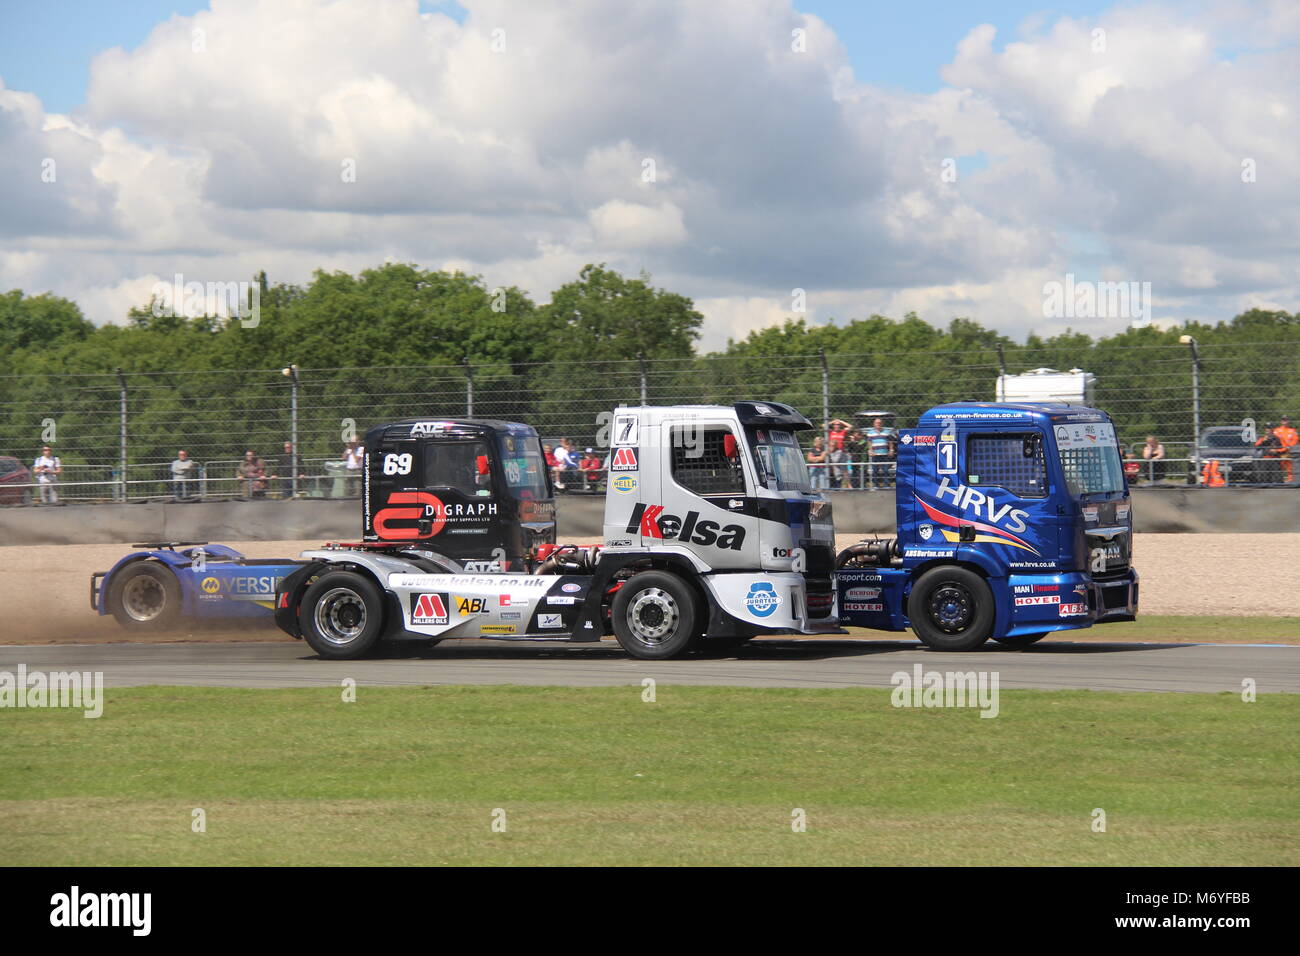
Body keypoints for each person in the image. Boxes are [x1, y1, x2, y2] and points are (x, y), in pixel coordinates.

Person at [863, 417, 896, 489]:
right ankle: (875, 485)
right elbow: (869, 442)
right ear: (874, 424)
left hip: (884, 453)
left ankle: (886, 485)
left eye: (880, 423)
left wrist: (891, 450)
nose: (878, 424)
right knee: (875, 470)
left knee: (886, 470)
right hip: (875, 454)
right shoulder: (870, 433)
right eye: (877, 423)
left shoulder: (887, 432)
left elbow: (890, 442)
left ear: (882, 424)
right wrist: (870, 450)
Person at [1273, 416, 1298, 482]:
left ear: (1288, 421)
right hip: (1279, 451)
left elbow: (1295, 440)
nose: (1285, 421)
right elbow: (1276, 439)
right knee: (1279, 466)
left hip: (1289, 451)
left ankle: (1290, 479)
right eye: (1283, 420)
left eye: (1286, 420)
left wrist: (1289, 447)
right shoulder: (1276, 430)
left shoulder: (1292, 430)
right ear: (1281, 421)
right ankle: (1279, 479)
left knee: (1290, 466)